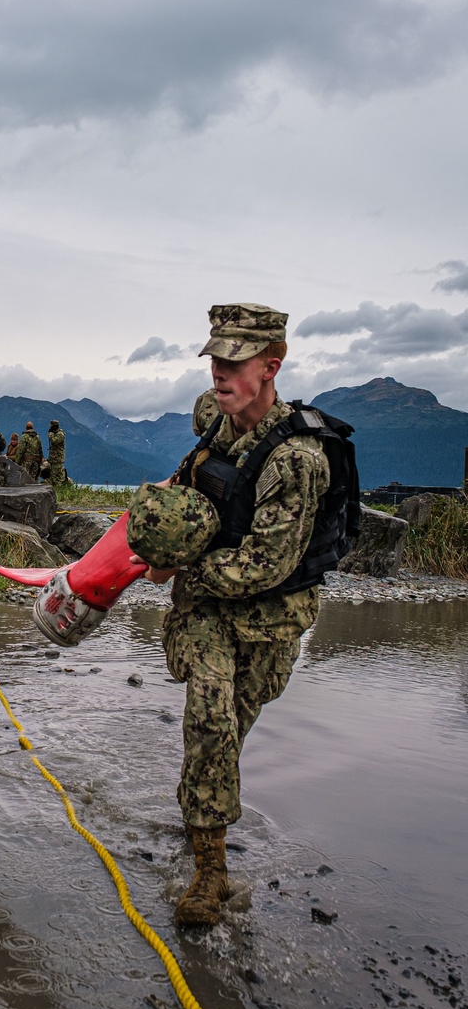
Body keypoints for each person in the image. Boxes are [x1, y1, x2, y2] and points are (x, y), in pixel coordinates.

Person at [137, 304, 331, 928]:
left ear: (271, 367)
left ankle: (203, 809)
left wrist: (176, 568)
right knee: (211, 722)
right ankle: (211, 871)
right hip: (207, 612)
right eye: (216, 360)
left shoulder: (296, 461)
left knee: (227, 735)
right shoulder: (213, 417)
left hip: (269, 619)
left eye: (235, 363)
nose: (219, 373)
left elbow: (265, 566)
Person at [47, 420, 67, 486]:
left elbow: (54, 441)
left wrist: (50, 435)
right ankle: (55, 487)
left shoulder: (60, 434)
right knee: (53, 475)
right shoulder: (56, 433)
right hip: (54, 458)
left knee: (57, 475)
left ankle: (58, 488)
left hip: (58, 459)